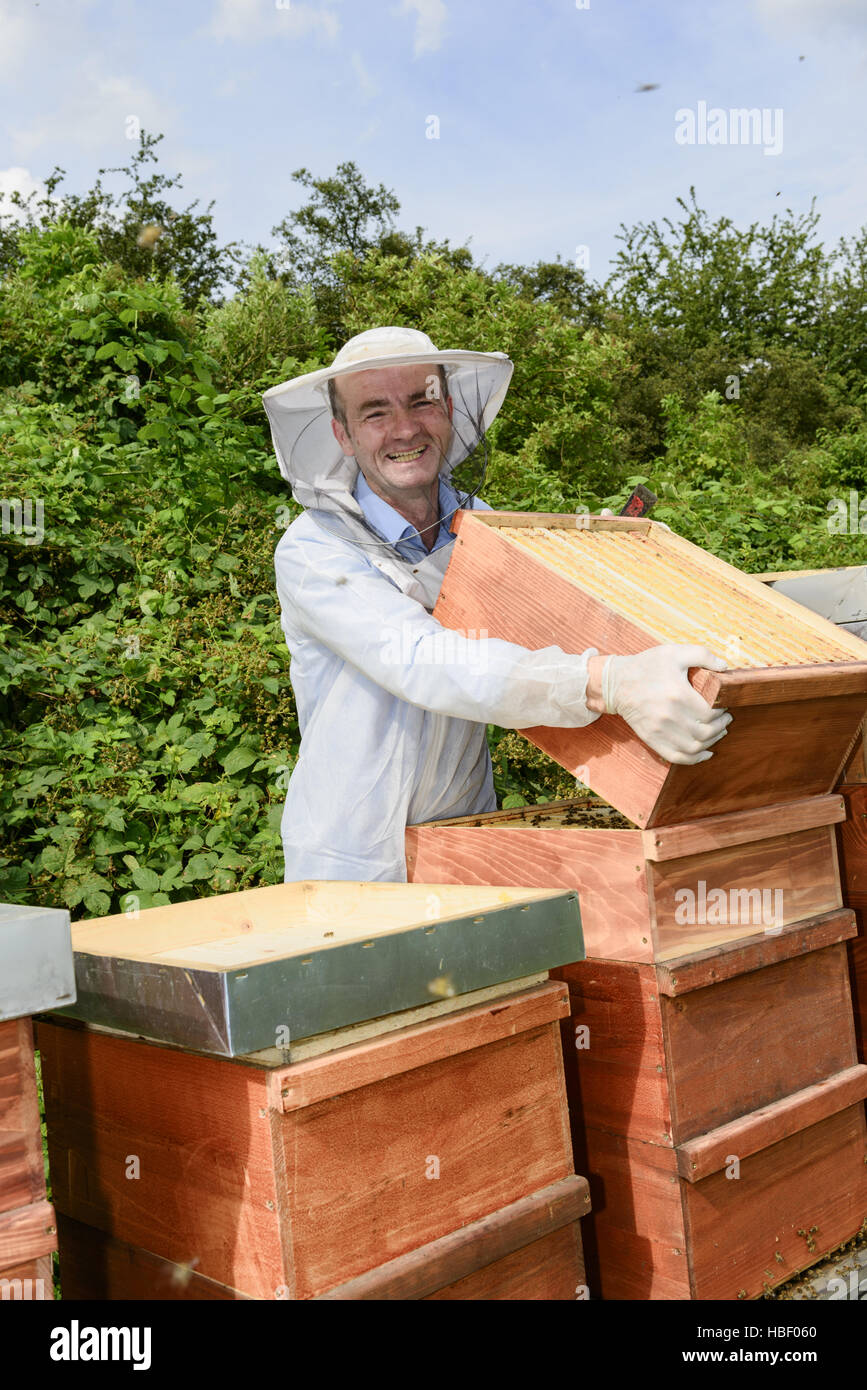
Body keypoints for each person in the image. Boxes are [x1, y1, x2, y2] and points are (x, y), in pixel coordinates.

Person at [262, 327, 730, 882]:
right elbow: (425, 662)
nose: (406, 428)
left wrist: (605, 571)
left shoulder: (482, 526)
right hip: (354, 858)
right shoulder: (314, 551)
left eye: (422, 401)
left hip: (466, 836)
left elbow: (533, 644)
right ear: (343, 434)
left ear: (451, 407)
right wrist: (614, 682)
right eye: (375, 413)